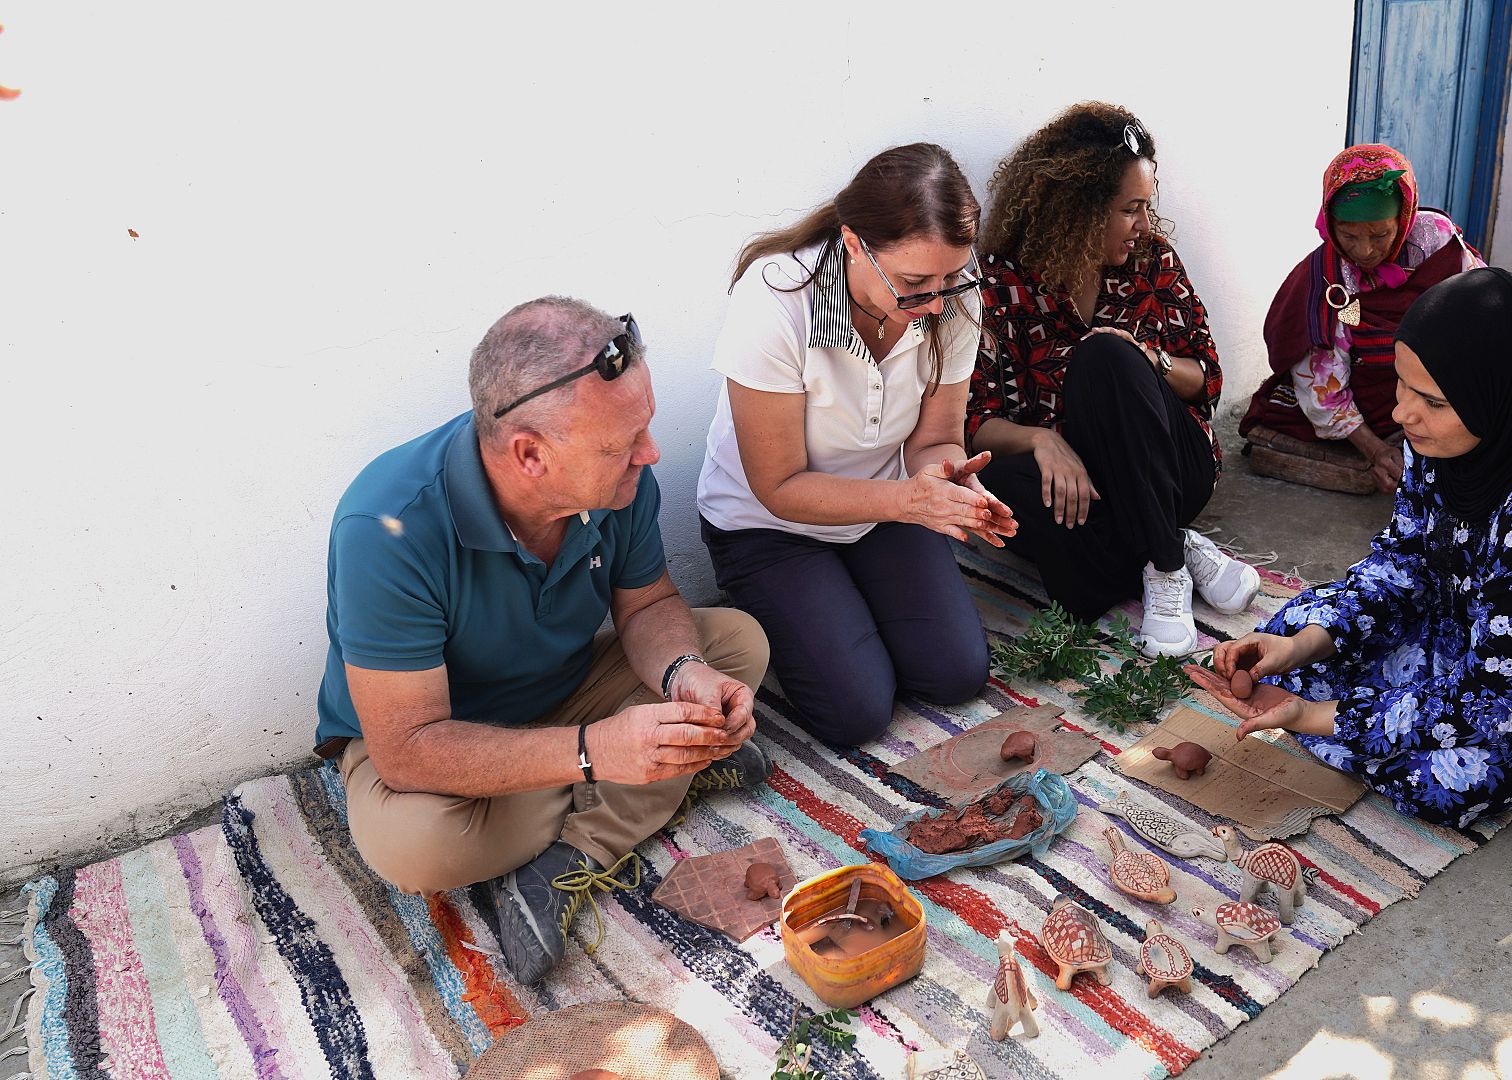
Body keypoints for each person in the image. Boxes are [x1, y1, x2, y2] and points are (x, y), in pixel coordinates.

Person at [315, 297, 771, 984]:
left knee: (737, 644)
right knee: (415, 847)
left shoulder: (622, 483)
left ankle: (569, 857)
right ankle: (660, 778)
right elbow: (407, 750)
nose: (649, 454)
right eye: (622, 445)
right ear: (530, 454)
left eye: (641, 431)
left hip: (566, 693)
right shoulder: (387, 526)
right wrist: (599, 753)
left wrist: (686, 676)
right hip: (432, 743)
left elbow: (648, 604)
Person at [1195, 268, 1512, 828]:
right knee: (1299, 628)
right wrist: (1303, 646)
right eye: (1401, 383)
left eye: (1431, 401)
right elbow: (1406, 558)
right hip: (1484, 626)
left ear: (1496, 399)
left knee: (1445, 781)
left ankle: (1352, 716)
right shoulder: (1461, 430)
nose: (1401, 414)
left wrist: (1312, 716)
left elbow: (1499, 700)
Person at [697, 143, 1016, 747]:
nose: (936, 300)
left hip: (887, 507)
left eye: (952, 278)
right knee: (856, 714)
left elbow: (937, 438)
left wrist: (951, 484)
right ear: (852, 243)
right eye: (914, 282)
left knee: (956, 674)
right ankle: (800, 600)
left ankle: (845, 599)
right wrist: (910, 503)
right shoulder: (775, 300)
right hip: (769, 526)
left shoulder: (951, 295)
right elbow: (777, 486)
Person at [967, 102, 1259, 657]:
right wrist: (1041, 439)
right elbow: (974, 420)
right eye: (1130, 210)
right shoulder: (998, 287)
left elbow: (1209, 381)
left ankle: (1168, 568)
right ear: (1076, 212)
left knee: (1104, 356)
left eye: (1145, 208)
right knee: (1066, 582)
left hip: (1172, 465)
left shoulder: (1153, 262)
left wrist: (1148, 362)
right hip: (1078, 487)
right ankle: (1169, 540)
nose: (1145, 226)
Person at [1240, 144, 1489, 495]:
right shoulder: (1330, 283)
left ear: (1404, 217)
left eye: (1380, 234)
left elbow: (1483, 320)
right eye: (1348, 235)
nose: (1365, 251)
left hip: (1441, 384)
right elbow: (1324, 383)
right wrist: (1377, 451)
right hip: (1374, 401)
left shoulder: (1439, 246)